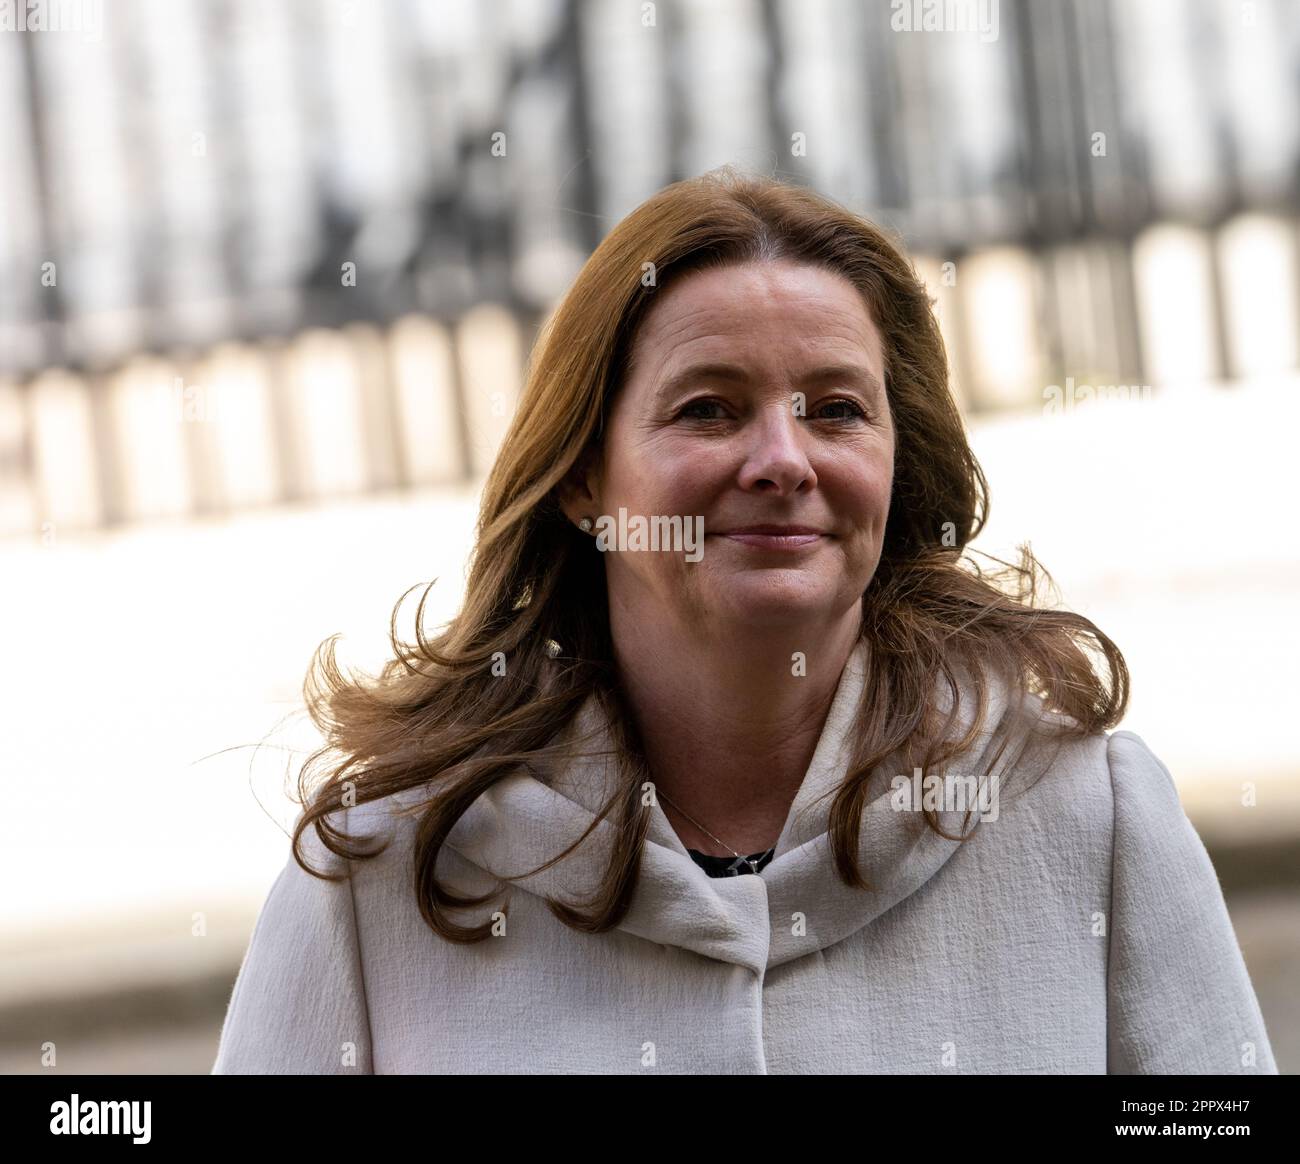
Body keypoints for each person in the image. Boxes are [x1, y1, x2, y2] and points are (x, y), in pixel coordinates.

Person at [211, 167, 1277, 1075]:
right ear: (585, 477)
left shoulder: (1088, 818)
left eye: (837, 409)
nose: (781, 460)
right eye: (708, 409)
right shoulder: (381, 876)